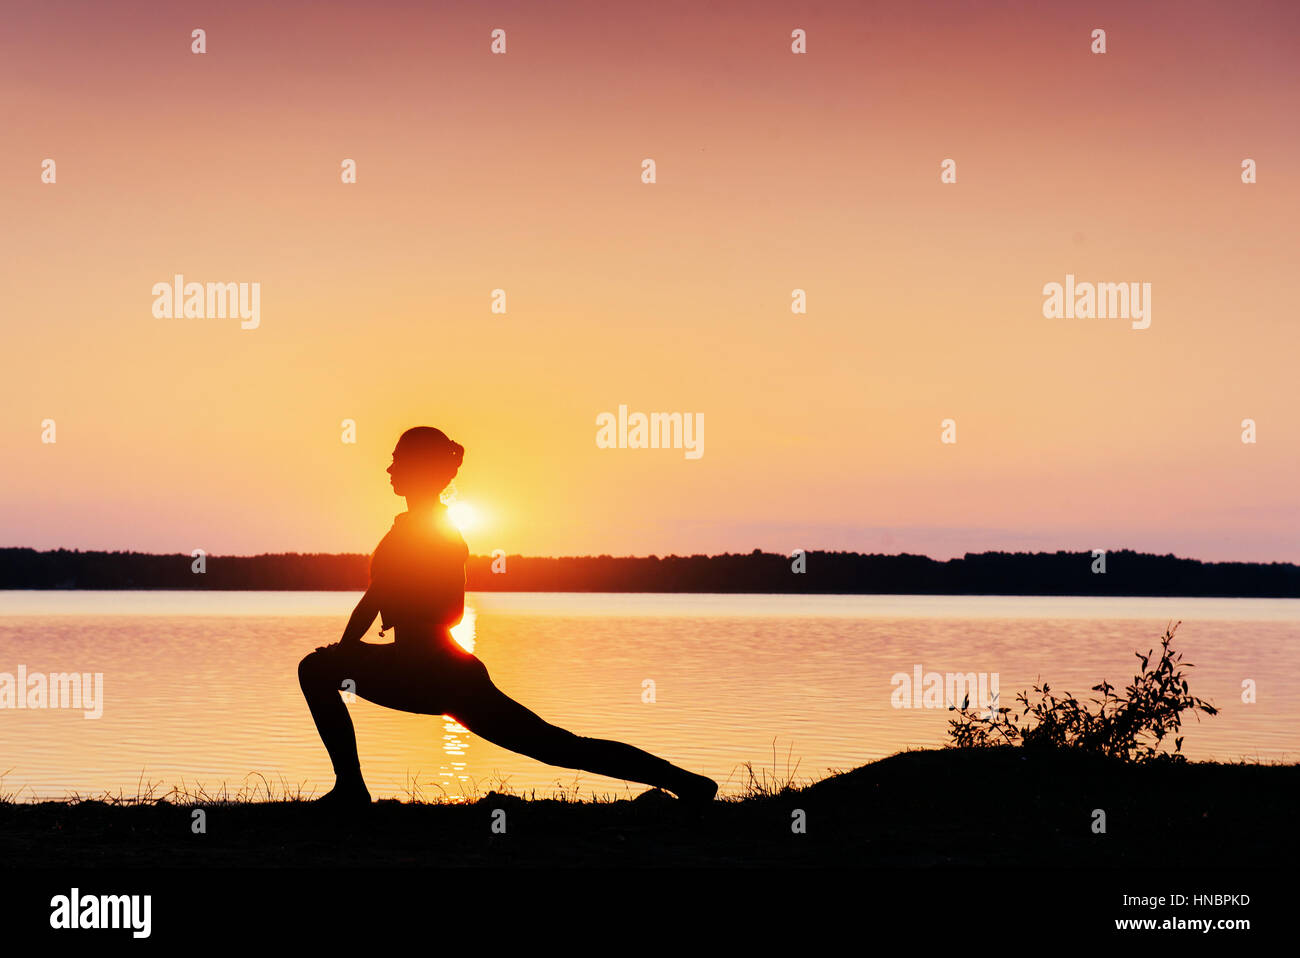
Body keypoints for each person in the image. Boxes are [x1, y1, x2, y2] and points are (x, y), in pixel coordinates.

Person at [298, 426, 718, 807]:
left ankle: (688, 783)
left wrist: (350, 647)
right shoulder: (416, 526)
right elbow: (383, 596)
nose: (389, 468)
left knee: (559, 747)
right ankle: (350, 788)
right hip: (426, 666)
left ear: (418, 469)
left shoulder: (429, 531)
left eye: (398, 460)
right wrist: (352, 648)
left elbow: (416, 604)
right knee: (558, 746)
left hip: (435, 670)